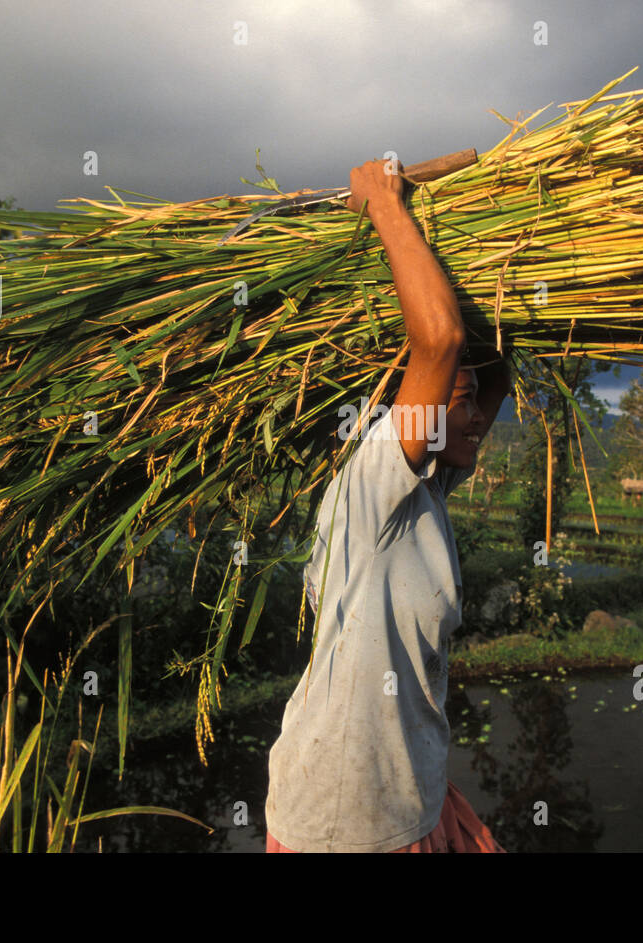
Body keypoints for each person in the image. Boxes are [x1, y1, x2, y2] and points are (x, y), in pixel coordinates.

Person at [264, 158, 510, 853]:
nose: (475, 420)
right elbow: (441, 341)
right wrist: (383, 205)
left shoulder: (429, 483)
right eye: (456, 401)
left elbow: (487, 379)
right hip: (348, 825)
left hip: (409, 800)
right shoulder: (374, 480)